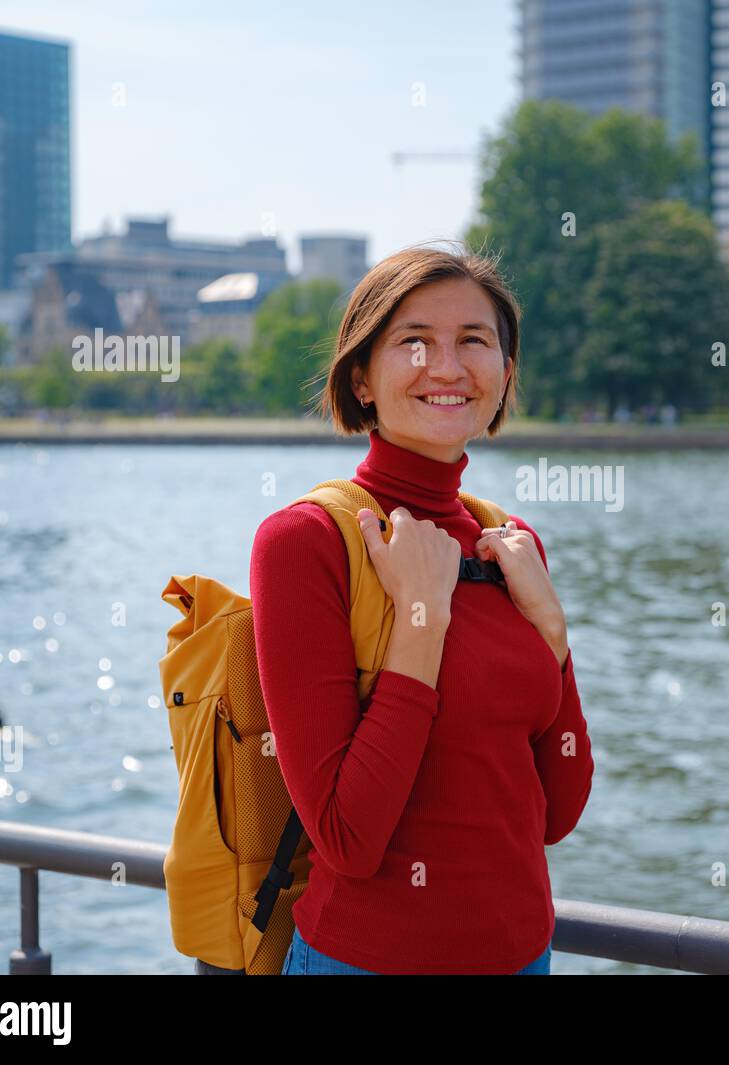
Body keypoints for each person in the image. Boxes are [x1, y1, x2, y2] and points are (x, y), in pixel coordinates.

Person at [249, 243, 593, 975]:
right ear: (363, 379)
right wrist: (421, 620)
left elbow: (558, 811)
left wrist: (554, 630)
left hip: (527, 958)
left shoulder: (512, 543)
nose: (447, 366)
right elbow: (348, 838)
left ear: (504, 373)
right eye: (414, 342)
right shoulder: (307, 543)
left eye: (475, 340)